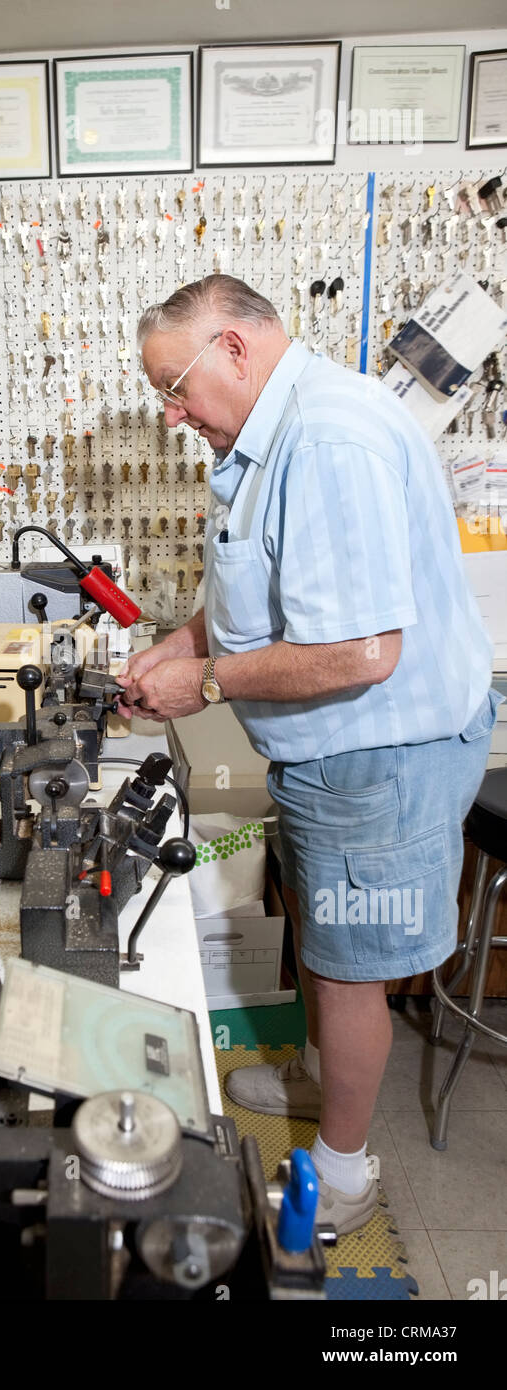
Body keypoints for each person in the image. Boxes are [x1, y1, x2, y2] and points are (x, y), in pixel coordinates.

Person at [116, 273, 501, 1235]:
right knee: (328, 942)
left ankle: (344, 1168)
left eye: (176, 388)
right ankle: (320, 1079)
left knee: (347, 965)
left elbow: (360, 653)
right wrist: (183, 642)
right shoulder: (272, 433)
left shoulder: (329, 440)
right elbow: (262, 580)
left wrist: (203, 686)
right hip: (333, 759)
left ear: (235, 349)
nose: (172, 414)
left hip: (380, 758)